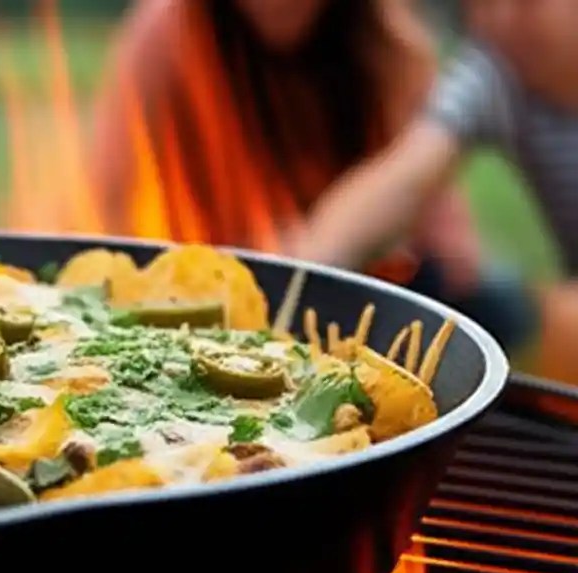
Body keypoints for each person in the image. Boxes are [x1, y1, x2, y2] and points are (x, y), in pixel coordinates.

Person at [90, 0, 521, 341]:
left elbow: (433, 208)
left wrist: (441, 250)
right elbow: (114, 200)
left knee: (496, 303)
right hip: (210, 291)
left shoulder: (388, 44)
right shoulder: (170, 31)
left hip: (353, 286)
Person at [292, 0, 578, 380]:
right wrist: (304, 260)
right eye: (484, 5)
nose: (502, 21)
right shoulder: (499, 75)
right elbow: (402, 177)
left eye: (527, 4)